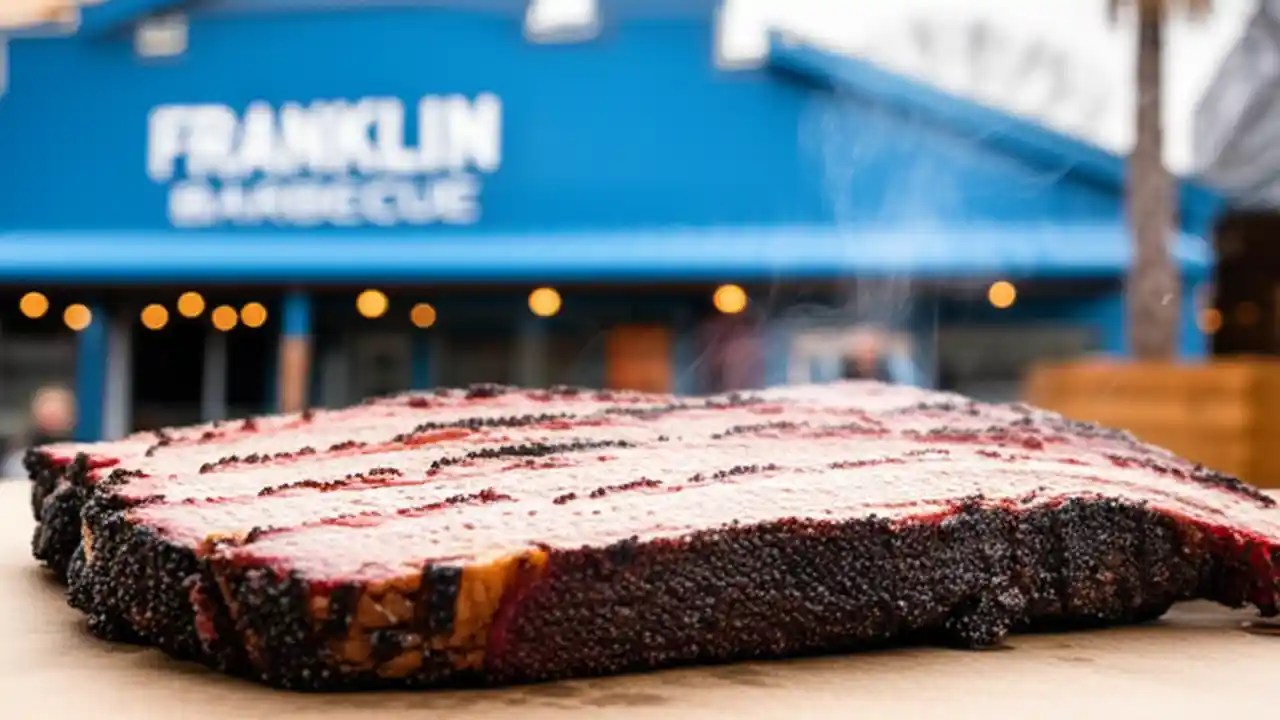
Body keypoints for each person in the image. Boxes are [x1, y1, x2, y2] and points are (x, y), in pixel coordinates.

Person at [1, 386, 76, 479]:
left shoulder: (78, 458)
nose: (52, 416)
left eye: (57, 411)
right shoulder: (19, 457)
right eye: (47, 410)